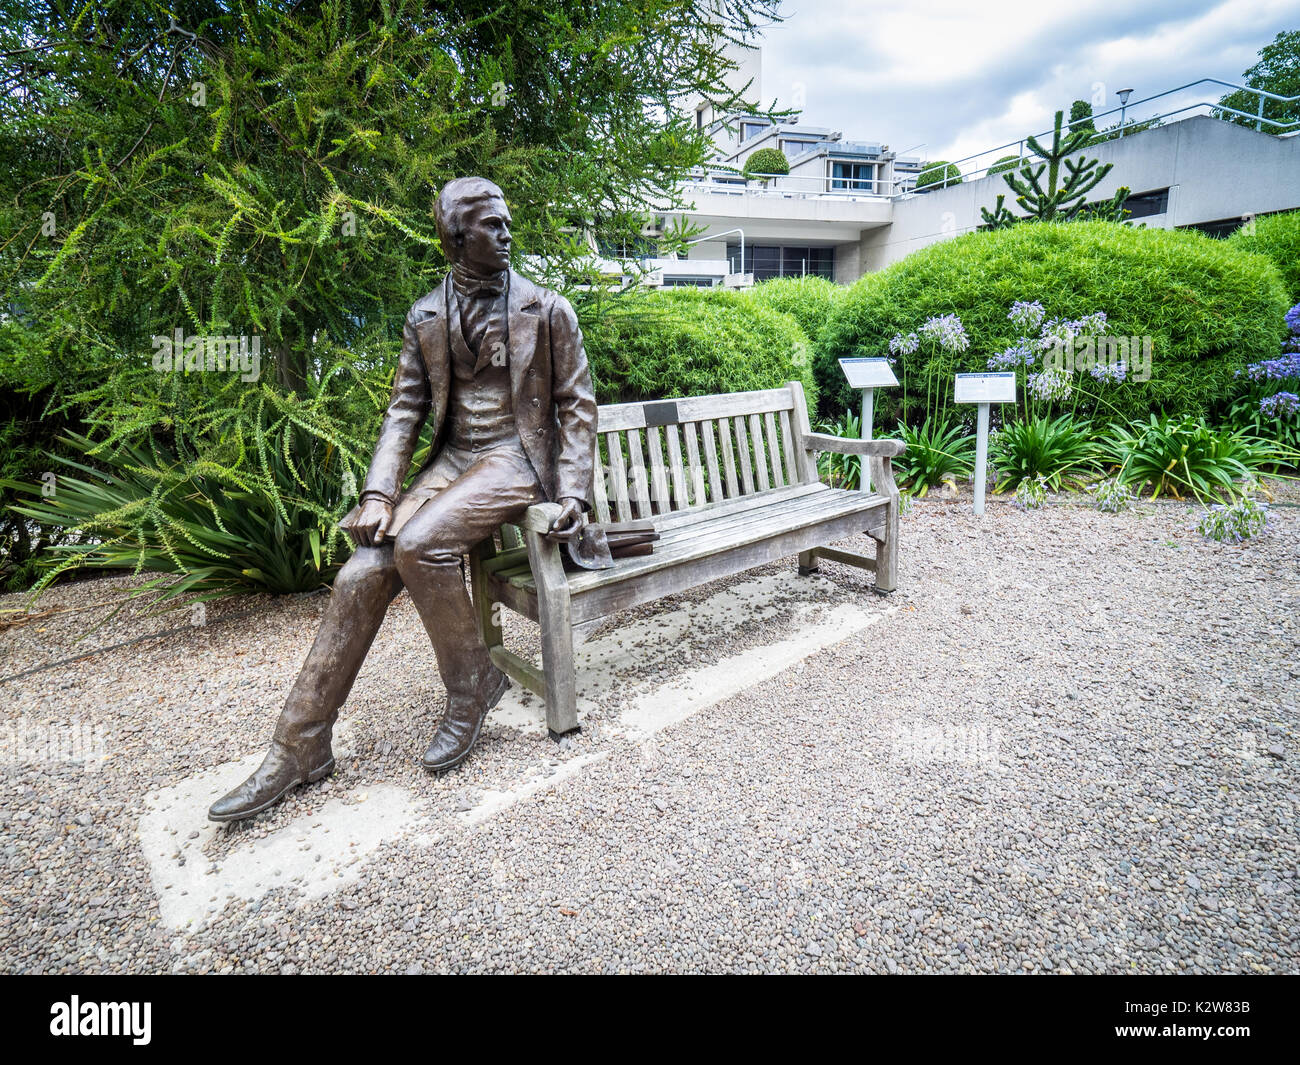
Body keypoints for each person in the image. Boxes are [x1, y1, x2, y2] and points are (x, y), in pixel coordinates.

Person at [208, 177, 597, 823]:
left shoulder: (548, 309)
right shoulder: (425, 315)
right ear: (455, 236)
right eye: (492, 225)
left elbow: (577, 408)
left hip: (517, 458)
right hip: (453, 461)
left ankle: (471, 687)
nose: (508, 234)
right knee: (361, 571)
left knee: (421, 544)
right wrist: (379, 492)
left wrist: (575, 490)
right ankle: (300, 744)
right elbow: (405, 411)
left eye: (508, 223)